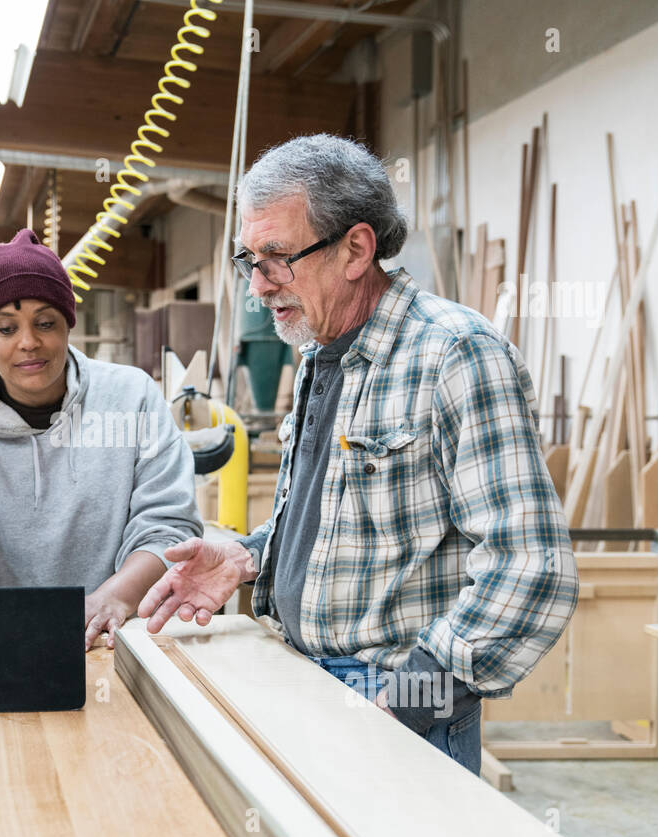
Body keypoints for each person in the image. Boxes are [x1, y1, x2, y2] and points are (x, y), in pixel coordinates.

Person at [139, 134, 579, 774]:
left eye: (278, 258)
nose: (259, 286)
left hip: (396, 698)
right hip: (304, 675)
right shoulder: (322, 352)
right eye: (250, 260)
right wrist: (251, 555)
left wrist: (411, 699)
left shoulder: (454, 353)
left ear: (356, 249)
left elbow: (532, 566)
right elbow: (340, 518)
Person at [0, 228, 202, 650]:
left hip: (119, 640)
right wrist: (1, 629)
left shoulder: (132, 398)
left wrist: (113, 599)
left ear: (67, 326)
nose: (29, 342)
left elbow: (167, 525)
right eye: (7, 329)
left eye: (45, 323)